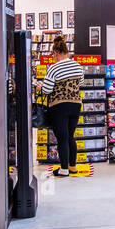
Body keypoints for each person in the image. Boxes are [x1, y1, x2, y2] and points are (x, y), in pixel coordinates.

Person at [37, 36, 84, 177]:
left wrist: (40, 87)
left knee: (62, 137)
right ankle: (73, 167)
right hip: (76, 105)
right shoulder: (77, 65)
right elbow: (80, 82)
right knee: (70, 136)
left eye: (53, 55)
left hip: (59, 106)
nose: (53, 57)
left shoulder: (53, 68)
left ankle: (63, 169)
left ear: (56, 52)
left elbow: (47, 90)